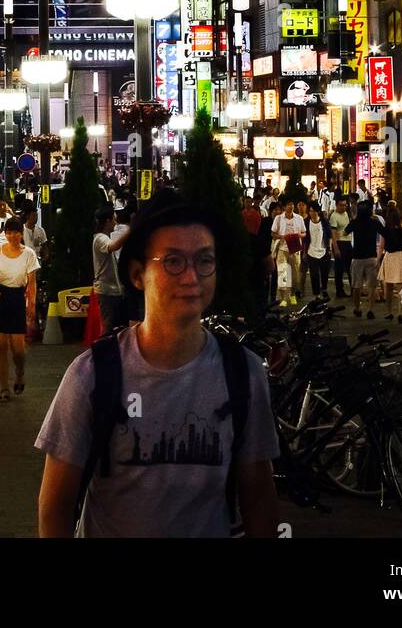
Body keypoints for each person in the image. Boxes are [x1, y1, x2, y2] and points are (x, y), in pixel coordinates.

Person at [35, 200, 281, 538]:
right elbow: (55, 505)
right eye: (173, 262)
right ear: (138, 274)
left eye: (204, 261)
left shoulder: (243, 372)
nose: (192, 277)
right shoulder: (93, 374)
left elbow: (258, 495)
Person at [0, 216, 39, 400]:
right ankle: (4, 388)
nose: (12, 236)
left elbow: (32, 282)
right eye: (9, 232)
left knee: (18, 349)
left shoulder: (29, 253)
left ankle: (20, 372)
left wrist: (32, 304)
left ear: (21, 234)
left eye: (15, 232)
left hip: (17, 299)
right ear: (5, 233)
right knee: (0, 346)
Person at [345, 200, 385, 320]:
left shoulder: (355, 222)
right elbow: (384, 232)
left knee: (357, 286)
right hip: (371, 257)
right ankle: (370, 309)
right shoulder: (374, 222)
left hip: (357, 257)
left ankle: (357, 308)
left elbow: (345, 231)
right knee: (372, 286)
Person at [92, 207, 129, 333]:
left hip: (113, 289)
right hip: (106, 290)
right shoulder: (100, 238)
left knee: (113, 326)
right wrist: (129, 232)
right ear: (107, 221)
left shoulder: (104, 237)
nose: (115, 223)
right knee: (107, 325)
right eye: (113, 220)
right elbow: (112, 246)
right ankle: (105, 351)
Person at [379, 205, 402, 322]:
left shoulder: (386, 231)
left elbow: (382, 246)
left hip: (390, 257)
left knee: (388, 287)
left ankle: (389, 312)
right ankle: (400, 312)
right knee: (400, 288)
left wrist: (378, 259)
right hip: (401, 257)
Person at [272, 201, 306, 300]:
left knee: (295, 275)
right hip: (283, 248)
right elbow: (273, 234)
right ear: (284, 207)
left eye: (292, 204)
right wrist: (282, 237)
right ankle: (281, 297)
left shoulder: (299, 218)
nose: (291, 206)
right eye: (288, 205)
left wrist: (300, 235)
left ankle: (292, 293)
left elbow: (304, 232)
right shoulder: (279, 218)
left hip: (295, 248)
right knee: (282, 272)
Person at [303, 204, 331, 299]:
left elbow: (329, 235)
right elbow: (305, 239)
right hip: (311, 251)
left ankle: (324, 289)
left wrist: (329, 248)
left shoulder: (324, 222)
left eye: (313, 211)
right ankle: (316, 294)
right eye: (310, 211)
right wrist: (304, 252)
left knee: (325, 272)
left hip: (323, 250)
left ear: (318, 211)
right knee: (314, 274)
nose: (312, 213)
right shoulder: (306, 222)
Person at [329, 196, 353, 299]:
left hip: (348, 243)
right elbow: (333, 234)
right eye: (341, 205)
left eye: (345, 205)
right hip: (340, 243)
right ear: (337, 205)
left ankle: (353, 289)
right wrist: (336, 248)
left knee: (350, 267)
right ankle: (339, 290)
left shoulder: (346, 213)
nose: (344, 207)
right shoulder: (334, 216)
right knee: (339, 269)